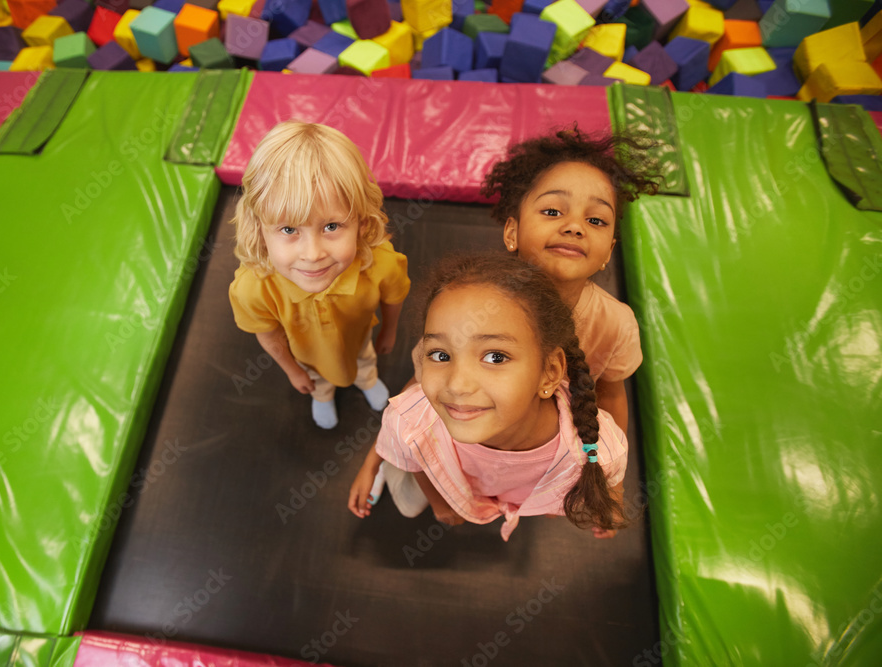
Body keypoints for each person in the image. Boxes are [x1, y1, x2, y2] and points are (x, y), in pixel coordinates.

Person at [349, 253, 628, 539]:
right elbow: (414, 451)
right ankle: (388, 467)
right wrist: (437, 500)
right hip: (445, 482)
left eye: (495, 357)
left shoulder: (596, 453)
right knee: (409, 506)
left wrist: (603, 499)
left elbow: (609, 473)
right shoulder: (408, 422)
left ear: (550, 371)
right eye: (440, 354)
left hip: (496, 491)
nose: (456, 385)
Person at [228, 120, 410, 429]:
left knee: (364, 357)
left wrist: (389, 332)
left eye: (331, 226)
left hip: (359, 337)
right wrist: (292, 371)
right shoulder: (252, 289)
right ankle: (323, 394)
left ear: (362, 224)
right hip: (307, 356)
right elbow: (268, 335)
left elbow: (393, 298)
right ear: (260, 229)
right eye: (288, 229)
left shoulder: (382, 263)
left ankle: (367, 379)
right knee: (317, 377)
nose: (312, 254)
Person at [481, 127, 661, 433]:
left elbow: (612, 395)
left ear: (609, 251)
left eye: (596, 220)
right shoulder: (475, 304)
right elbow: (427, 380)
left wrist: (608, 468)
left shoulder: (616, 324)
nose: (575, 226)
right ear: (512, 232)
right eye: (552, 211)